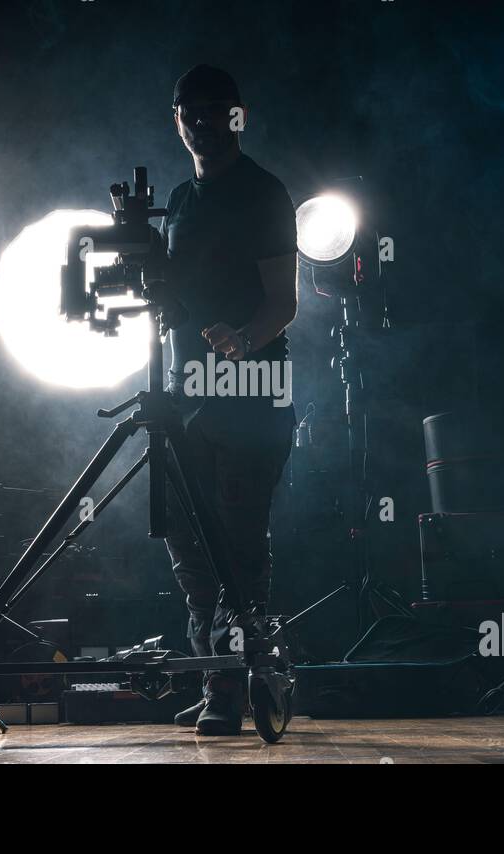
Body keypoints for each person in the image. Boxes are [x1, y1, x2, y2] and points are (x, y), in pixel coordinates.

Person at [159, 64, 298, 735]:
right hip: (184, 396)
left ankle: (241, 688)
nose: (203, 123)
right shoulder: (183, 199)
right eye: (191, 111)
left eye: (217, 111)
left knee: (238, 544)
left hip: (250, 396)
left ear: (238, 117)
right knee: (189, 548)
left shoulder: (264, 193)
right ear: (177, 118)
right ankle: (217, 679)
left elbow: (284, 303)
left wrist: (244, 339)